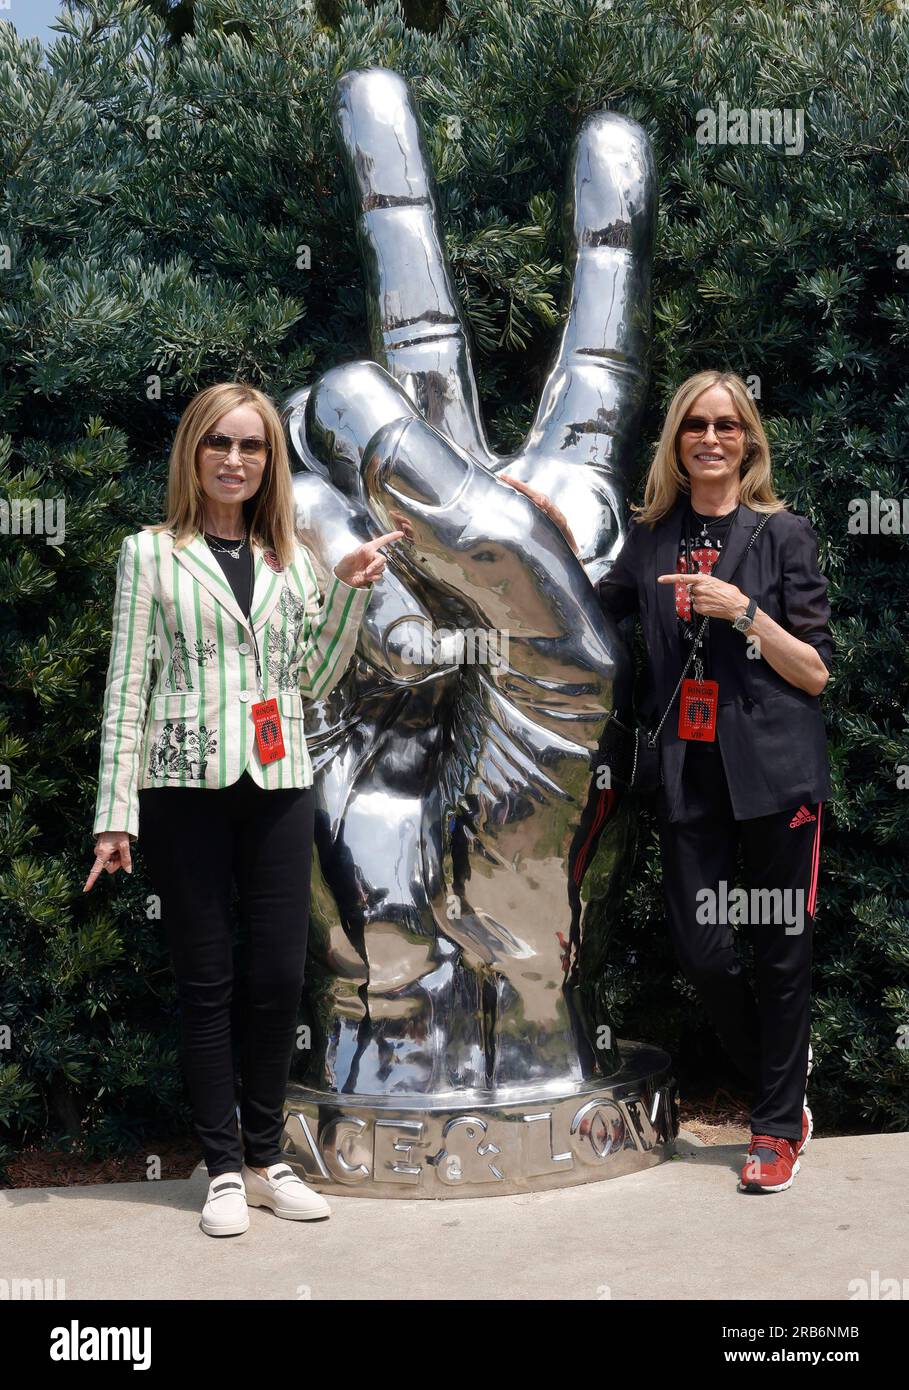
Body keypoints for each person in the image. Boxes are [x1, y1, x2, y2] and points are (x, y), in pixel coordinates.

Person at [83, 381, 402, 1236]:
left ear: (269, 461)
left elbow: (314, 680)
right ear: (193, 452)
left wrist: (348, 591)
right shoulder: (148, 553)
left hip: (277, 777)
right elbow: (125, 686)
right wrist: (115, 814)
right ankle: (223, 1169)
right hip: (181, 785)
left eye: (252, 447)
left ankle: (267, 1160)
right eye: (219, 444)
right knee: (206, 979)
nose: (235, 460)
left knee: (274, 975)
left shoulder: (291, 558)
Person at [509, 370, 832, 1194]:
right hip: (688, 779)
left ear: (747, 440)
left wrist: (743, 613)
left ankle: (771, 1131)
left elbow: (815, 673)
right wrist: (524, 531)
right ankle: (783, 1088)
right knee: (704, 951)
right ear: (677, 441)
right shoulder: (652, 537)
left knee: (781, 952)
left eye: (727, 425)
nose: (712, 439)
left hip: (775, 778)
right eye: (696, 425)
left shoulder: (781, 534)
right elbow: (574, 601)